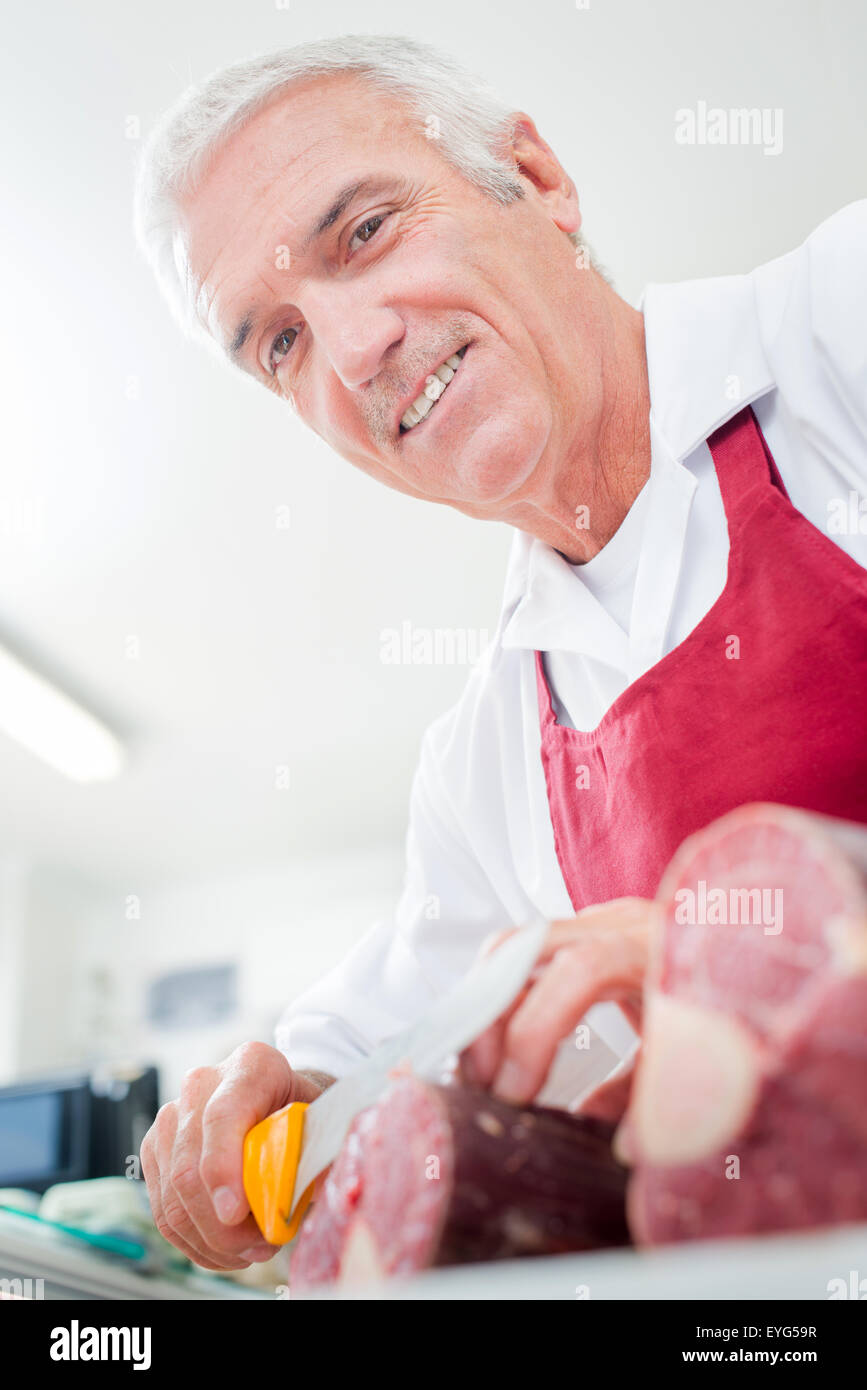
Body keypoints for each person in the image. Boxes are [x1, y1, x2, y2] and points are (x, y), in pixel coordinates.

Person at [132, 35, 867, 1270]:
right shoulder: (486, 762)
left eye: (364, 232)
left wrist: (739, 948)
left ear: (535, 177)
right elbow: (377, 1039)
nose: (355, 352)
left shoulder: (841, 327)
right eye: (281, 344)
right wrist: (269, 1111)